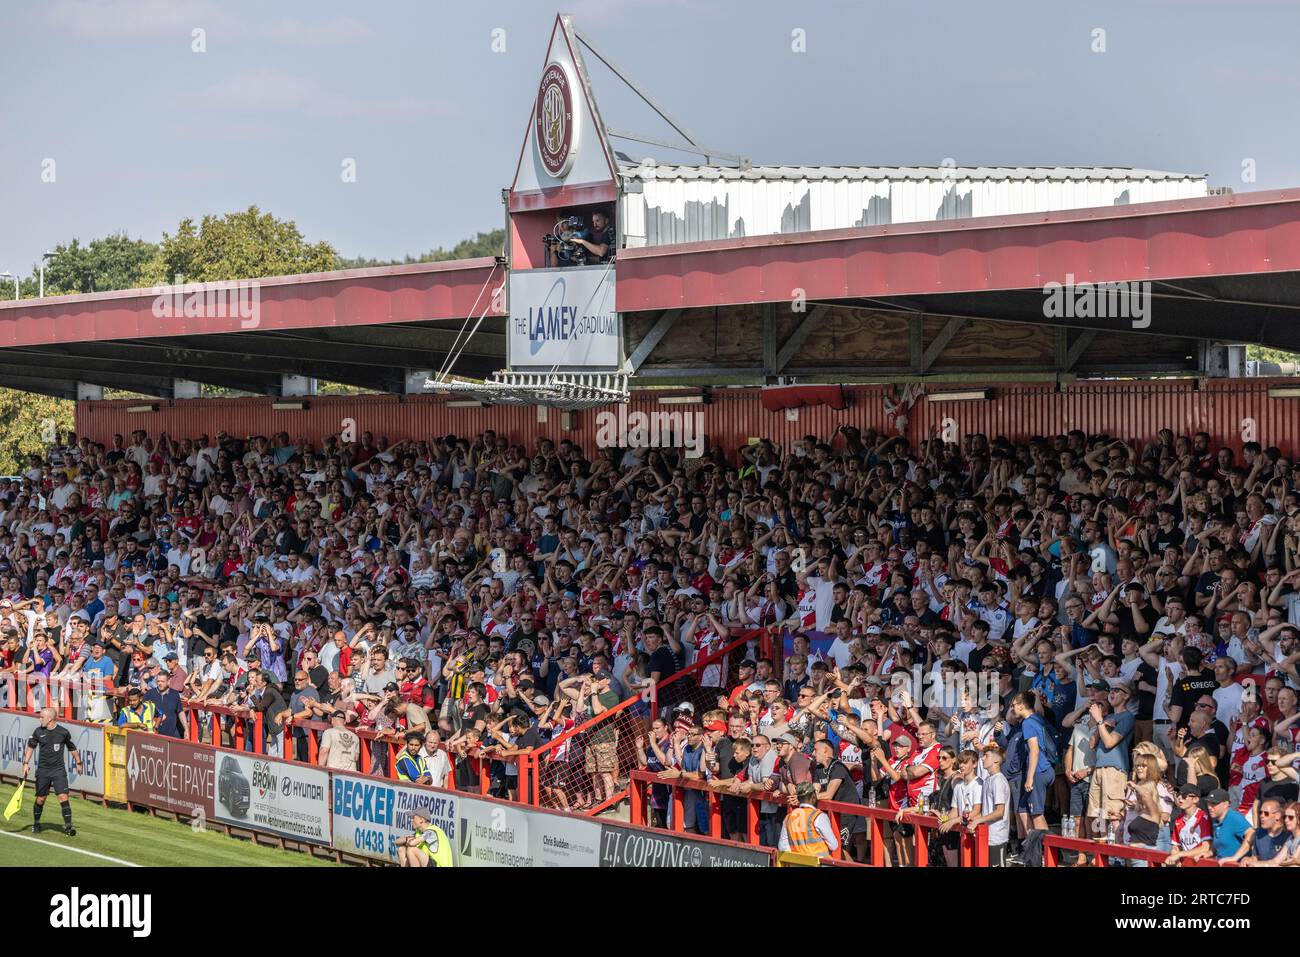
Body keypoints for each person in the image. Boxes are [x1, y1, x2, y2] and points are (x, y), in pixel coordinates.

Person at [20, 707, 83, 835]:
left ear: (50, 719)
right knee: (40, 799)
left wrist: (78, 762)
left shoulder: (63, 732)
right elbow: (31, 747)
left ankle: (68, 826)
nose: (40, 719)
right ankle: (37, 823)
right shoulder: (38, 732)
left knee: (63, 796)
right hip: (43, 771)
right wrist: (26, 763)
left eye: (42, 717)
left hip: (58, 770)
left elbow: (72, 748)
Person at [778, 781, 840, 858]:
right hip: (819, 864)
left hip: (796, 863)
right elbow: (834, 846)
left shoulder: (788, 818)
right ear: (814, 797)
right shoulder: (818, 816)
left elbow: (782, 847)